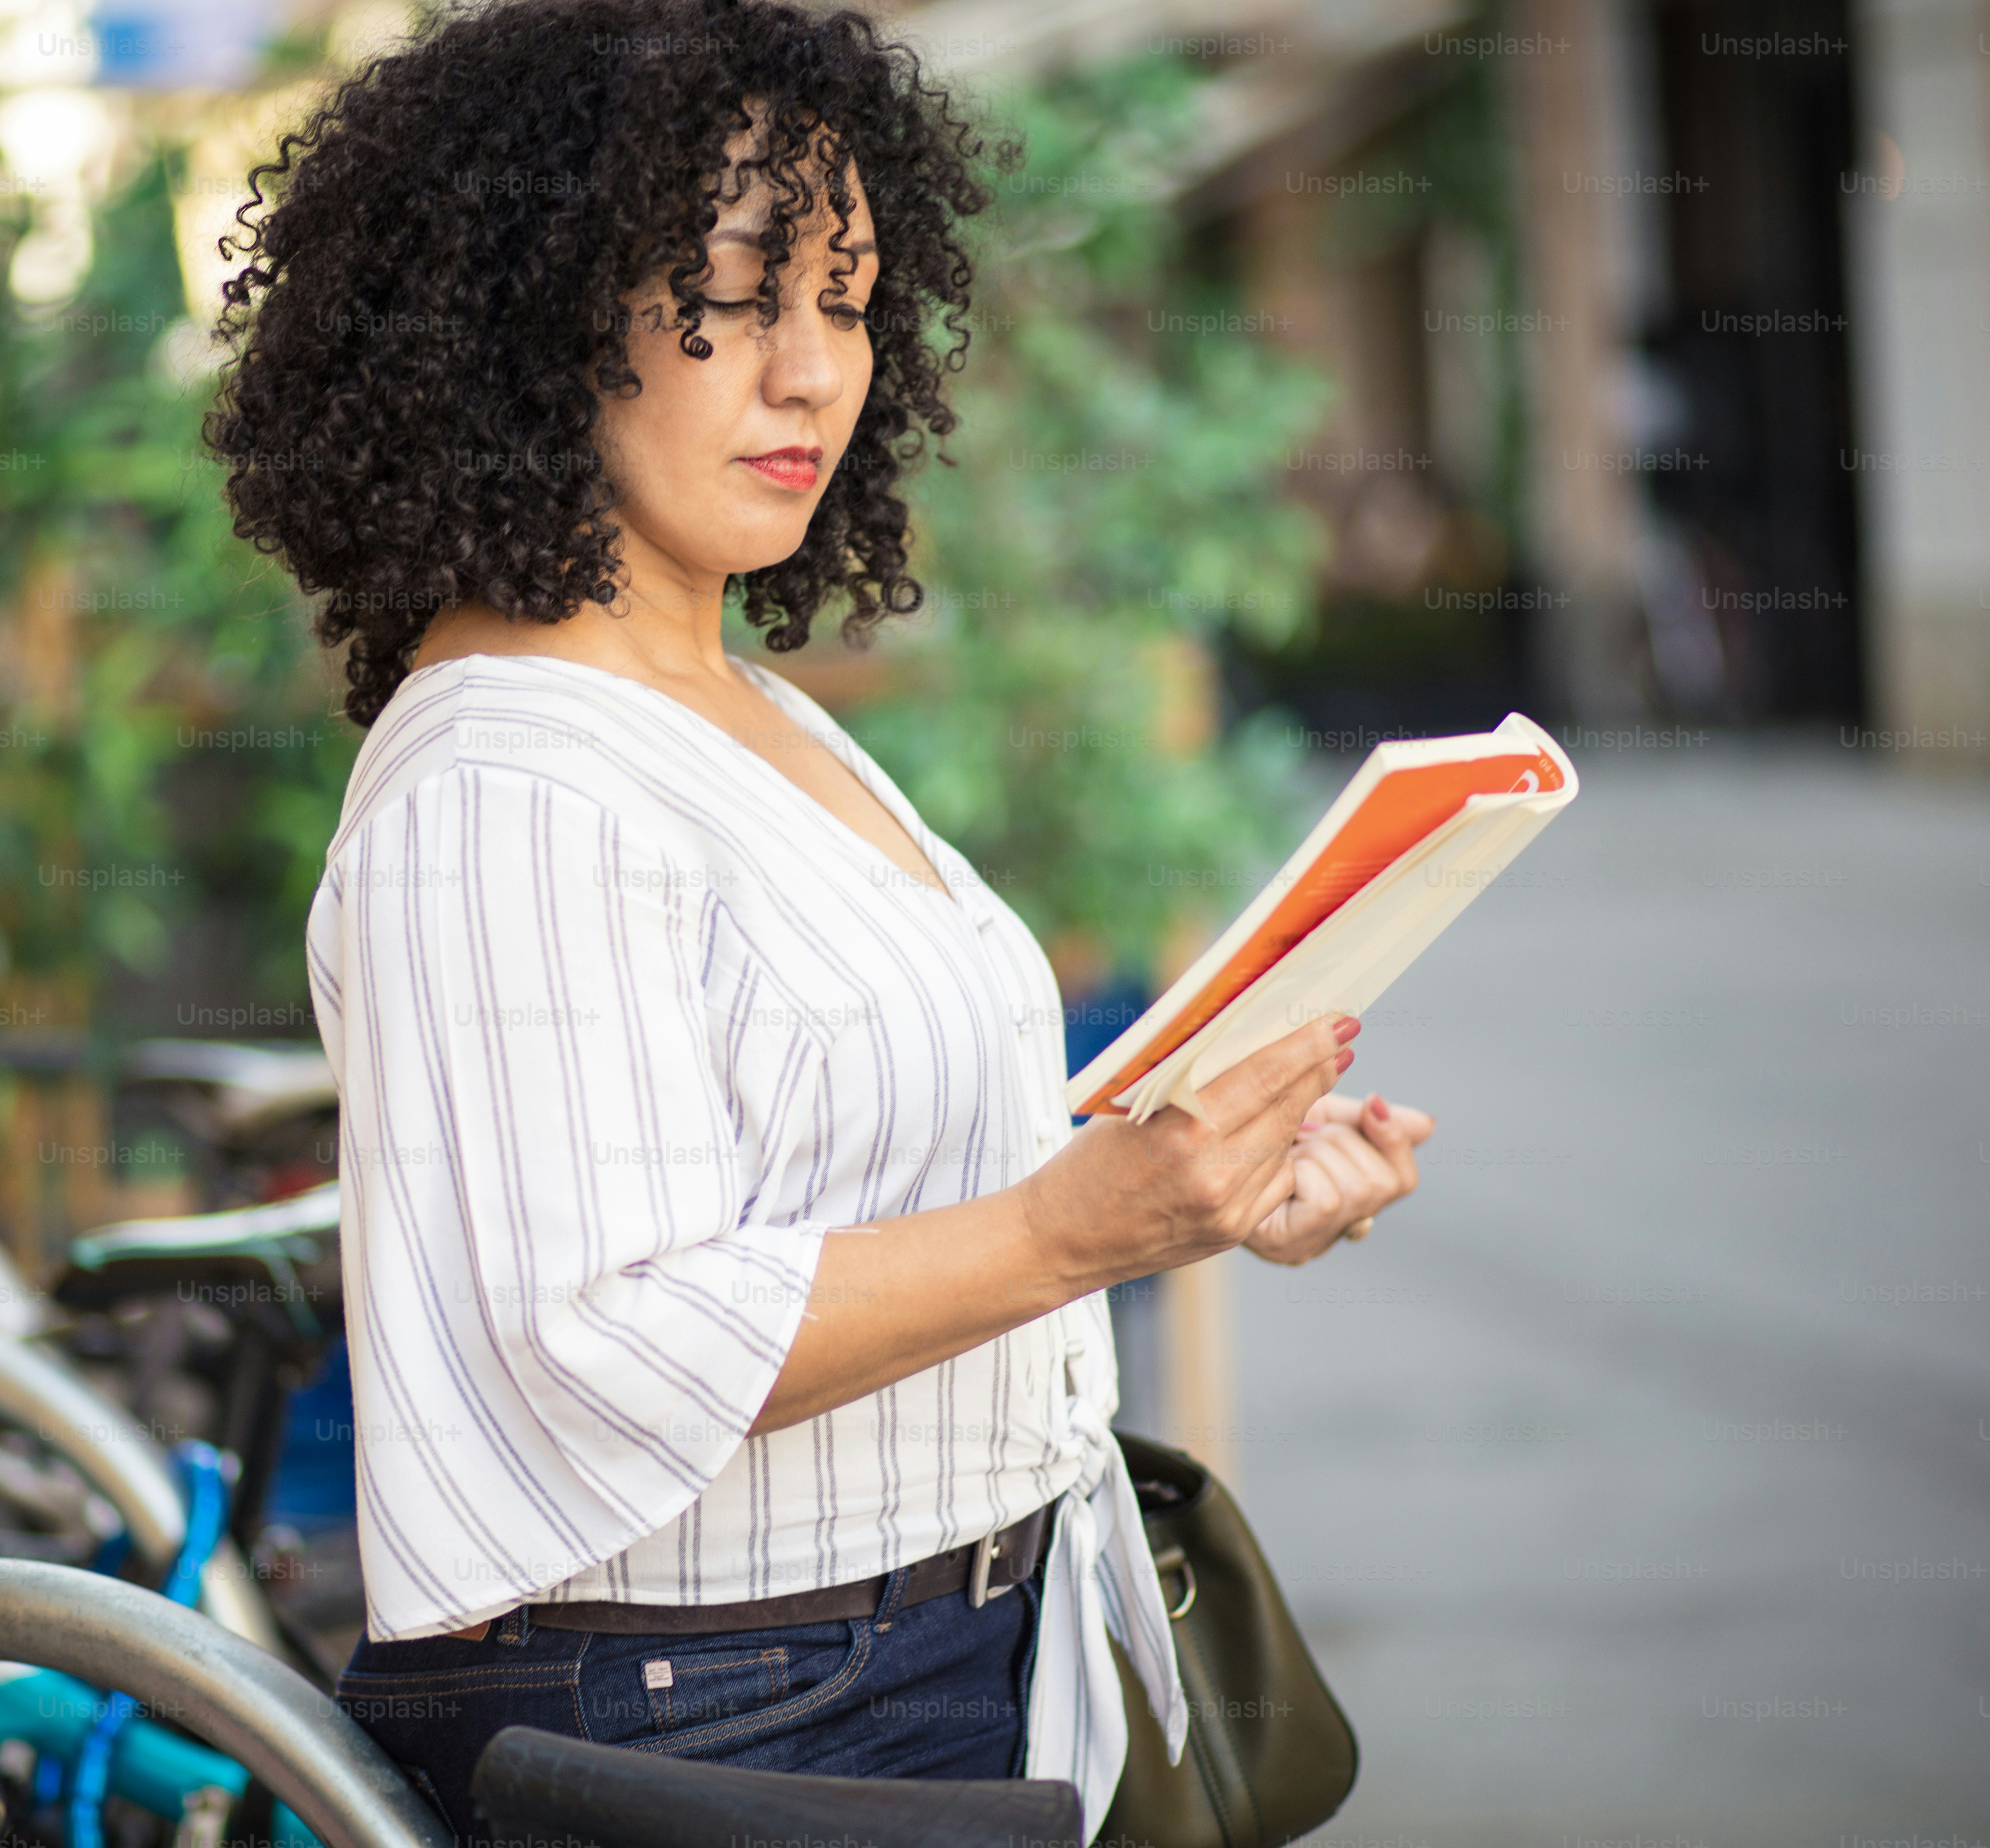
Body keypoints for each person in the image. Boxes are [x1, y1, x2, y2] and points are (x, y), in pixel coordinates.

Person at [207, 0, 1437, 1839]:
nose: (811, 374)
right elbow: (605, 1339)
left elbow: (857, 1178)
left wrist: (1192, 1177)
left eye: (849, 303)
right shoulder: (502, 782)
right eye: (739, 297)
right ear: (532, 316)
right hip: (718, 1729)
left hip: (928, 1657)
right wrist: (1068, 1229)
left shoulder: (742, 707)